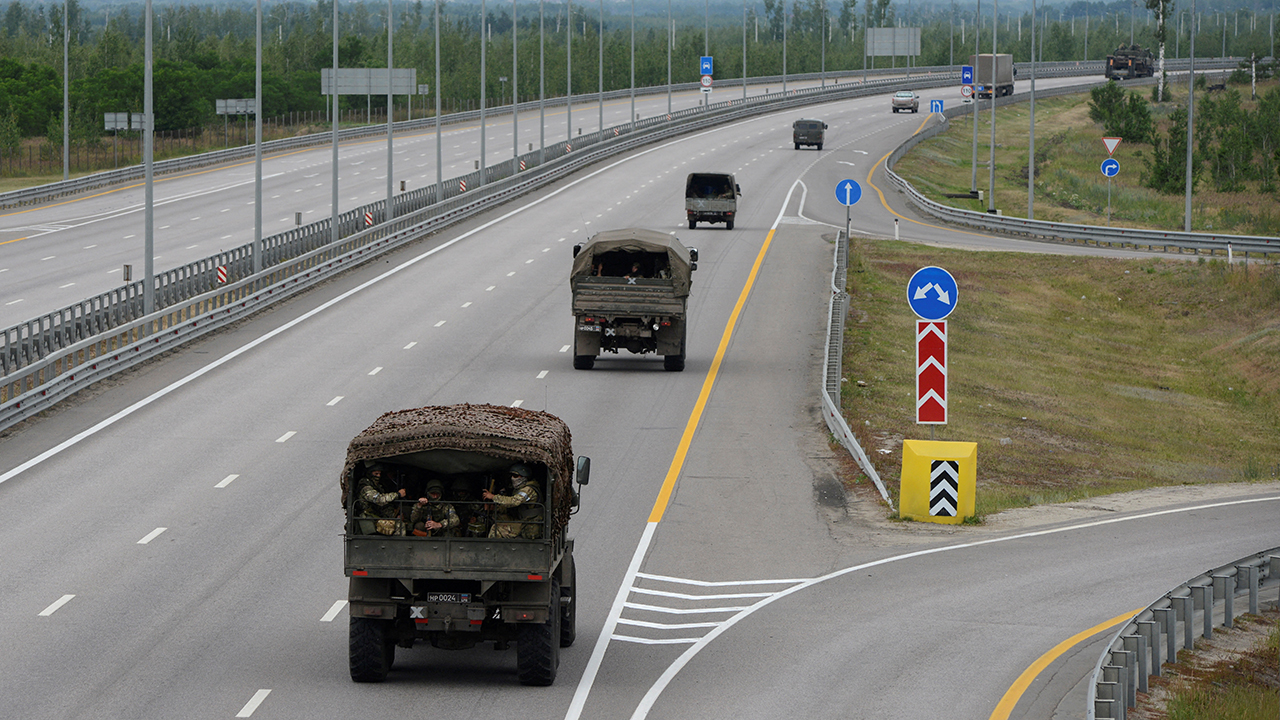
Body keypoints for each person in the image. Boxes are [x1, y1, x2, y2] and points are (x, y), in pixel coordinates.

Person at [483, 463, 544, 539]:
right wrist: (494, 508)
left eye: (515, 476)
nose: (512, 478)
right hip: (523, 521)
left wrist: (493, 497)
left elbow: (514, 502)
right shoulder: (520, 489)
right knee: (498, 517)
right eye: (511, 476)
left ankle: (492, 549)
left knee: (496, 528)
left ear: (524, 477)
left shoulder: (529, 490)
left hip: (529, 525)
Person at [355, 462, 407, 535]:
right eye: (376, 474)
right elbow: (379, 500)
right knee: (399, 526)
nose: (378, 476)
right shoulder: (365, 487)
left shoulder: (377, 486)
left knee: (400, 522)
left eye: (379, 474)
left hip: (376, 516)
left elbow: (384, 506)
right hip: (369, 518)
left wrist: (394, 515)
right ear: (370, 473)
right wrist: (397, 494)